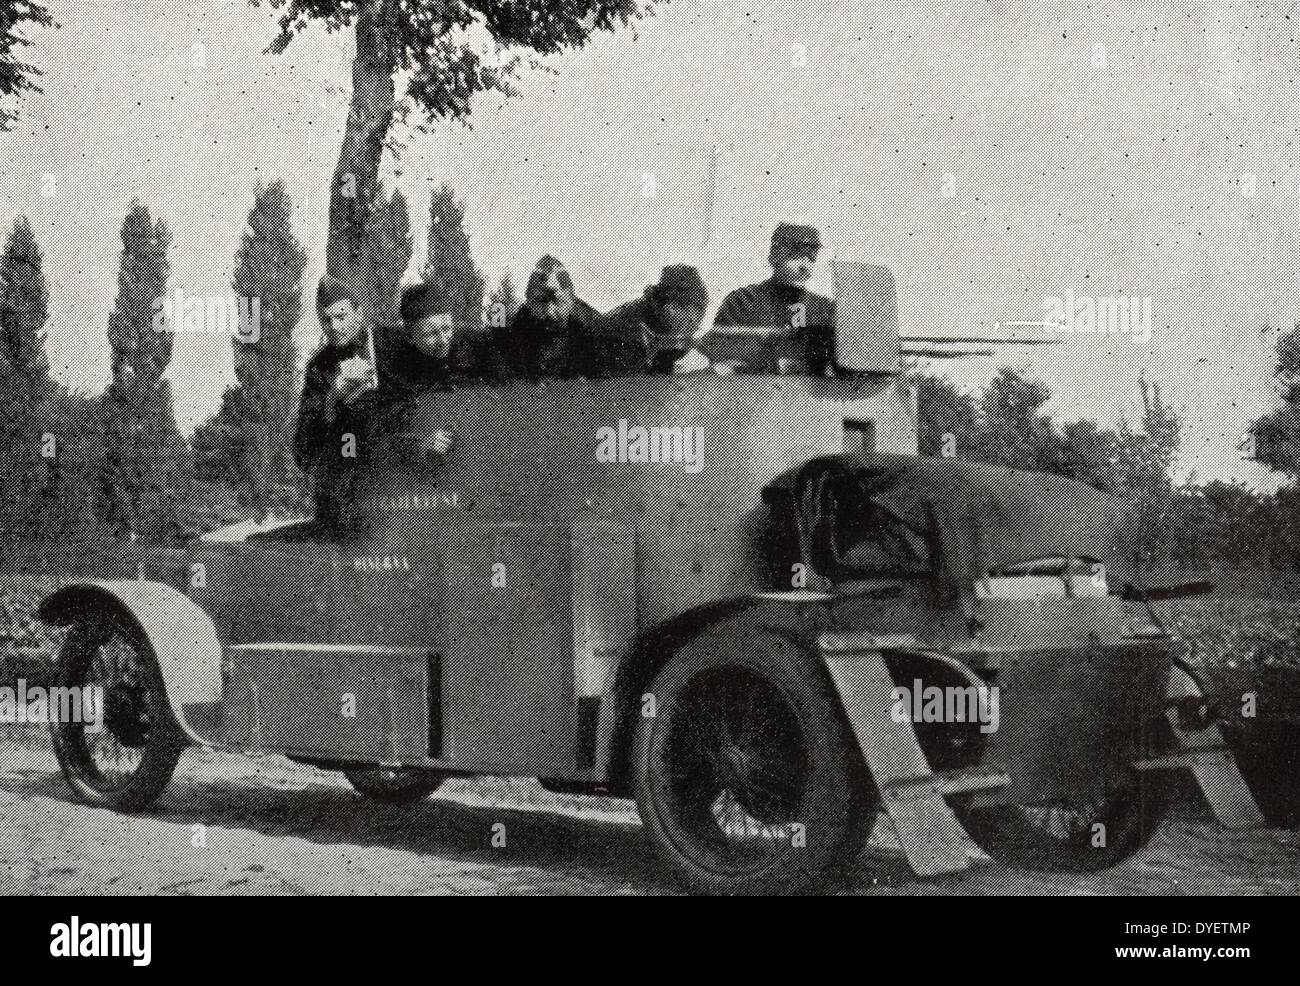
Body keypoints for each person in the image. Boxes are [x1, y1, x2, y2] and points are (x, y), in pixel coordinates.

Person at [370, 281, 500, 464]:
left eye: (447, 328)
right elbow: (379, 432)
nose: (443, 340)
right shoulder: (396, 369)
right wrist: (418, 446)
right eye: (430, 334)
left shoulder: (470, 345)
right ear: (409, 337)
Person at [701, 223, 836, 375]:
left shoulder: (825, 309)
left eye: (812, 256)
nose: (805, 266)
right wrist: (776, 364)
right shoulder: (742, 301)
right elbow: (721, 360)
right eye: (796, 254)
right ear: (774, 256)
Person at [293, 276, 375, 524]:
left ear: (359, 313)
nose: (335, 327)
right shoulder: (320, 367)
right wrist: (334, 397)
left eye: (341, 317)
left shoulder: (384, 346)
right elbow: (303, 448)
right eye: (326, 320)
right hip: (343, 489)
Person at [490, 256, 603, 380]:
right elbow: (498, 337)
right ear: (529, 301)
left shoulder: (587, 321)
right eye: (541, 301)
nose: (549, 311)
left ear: (571, 301)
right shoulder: (519, 320)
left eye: (558, 301)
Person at [596, 265, 709, 375]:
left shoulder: (688, 302)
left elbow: (674, 324)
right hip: (623, 343)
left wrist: (654, 301)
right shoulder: (662, 299)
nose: (670, 292)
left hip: (642, 349)